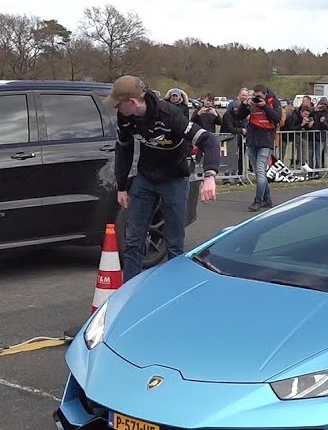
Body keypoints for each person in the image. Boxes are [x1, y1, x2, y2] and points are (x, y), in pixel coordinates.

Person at [104, 75, 220, 282]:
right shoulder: (126, 117)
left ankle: (174, 290)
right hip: (146, 178)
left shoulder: (170, 115)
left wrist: (210, 175)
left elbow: (208, 140)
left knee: (174, 243)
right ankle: (130, 290)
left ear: (132, 102)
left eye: (118, 104)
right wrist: (122, 185)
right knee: (133, 240)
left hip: (174, 179)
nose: (116, 109)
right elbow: (123, 149)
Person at [234, 84, 282, 211]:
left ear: (265, 95)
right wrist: (245, 105)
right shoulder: (251, 103)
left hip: (266, 141)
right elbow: (238, 117)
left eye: (259, 96)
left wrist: (264, 105)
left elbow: (277, 118)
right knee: (257, 172)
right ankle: (267, 199)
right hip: (252, 139)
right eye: (254, 96)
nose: (256, 98)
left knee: (261, 170)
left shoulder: (273, 102)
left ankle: (258, 200)